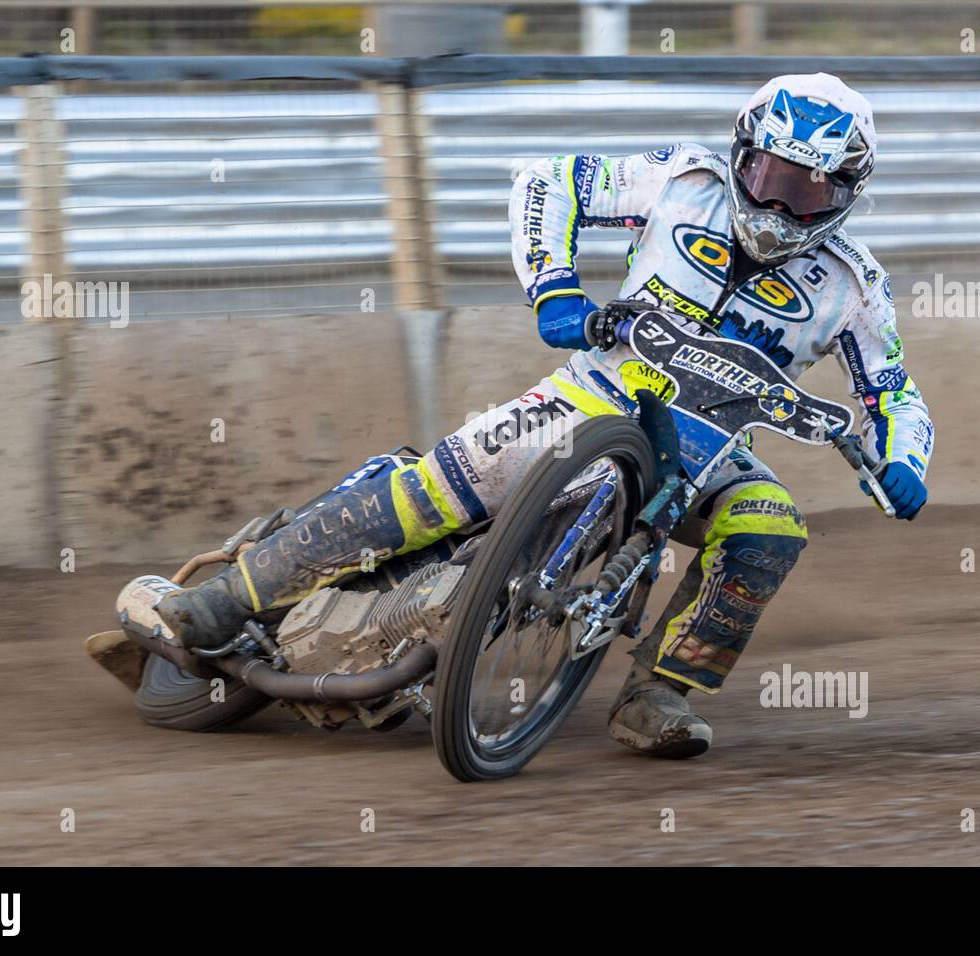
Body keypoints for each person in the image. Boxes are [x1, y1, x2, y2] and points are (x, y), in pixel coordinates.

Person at [156, 73, 934, 760]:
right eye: (765, 174)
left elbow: (892, 392)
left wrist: (902, 460)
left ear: (845, 195)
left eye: (805, 191)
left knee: (770, 529)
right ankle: (234, 596)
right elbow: (548, 182)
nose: (775, 202)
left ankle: (658, 695)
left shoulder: (853, 285)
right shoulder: (680, 179)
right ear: (738, 155)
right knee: (450, 480)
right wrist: (556, 288)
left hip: (713, 449)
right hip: (594, 397)